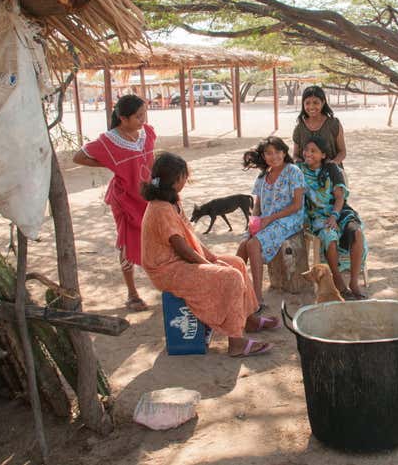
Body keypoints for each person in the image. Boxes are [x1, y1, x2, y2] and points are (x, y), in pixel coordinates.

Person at [140, 152, 277, 357]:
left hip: (180, 261)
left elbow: (189, 237)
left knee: (237, 262)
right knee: (230, 277)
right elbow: (181, 247)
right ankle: (236, 343)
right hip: (167, 270)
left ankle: (248, 318)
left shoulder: (172, 201)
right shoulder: (161, 209)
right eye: (184, 176)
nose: (186, 179)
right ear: (176, 179)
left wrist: (212, 258)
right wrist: (208, 264)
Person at [73, 94, 155, 312]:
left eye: (143, 115)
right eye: (138, 117)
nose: (143, 120)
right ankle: (132, 294)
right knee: (127, 242)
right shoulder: (109, 140)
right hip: (125, 199)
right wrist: (112, 165)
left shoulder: (146, 133)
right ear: (123, 118)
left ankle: (166, 284)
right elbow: (78, 157)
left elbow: (151, 160)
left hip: (147, 195)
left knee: (155, 237)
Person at [237, 137, 305, 308]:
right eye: (268, 153)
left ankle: (257, 298)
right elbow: (258, 206)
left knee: (253, 245)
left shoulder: (293, 171)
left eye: (277, 152)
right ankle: (234, 289)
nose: (273, 156)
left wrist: (269, 219)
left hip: (290, 219)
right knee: (244, 244)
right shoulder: (263, 177)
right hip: (267, 221)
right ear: (263, 155)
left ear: (284, 152)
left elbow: (297, 205)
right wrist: (252, 224)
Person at [298, 137, 368, 299]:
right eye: (306, 150)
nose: (308, 153)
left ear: (323, 155)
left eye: (313, 151)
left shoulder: (332, 169)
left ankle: (354, 282)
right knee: (329, 235)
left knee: (356, 232)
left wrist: (334, 216)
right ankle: (338, 281)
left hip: (339, 211)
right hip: (316, 214)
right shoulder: (299, 169)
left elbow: (339, 197)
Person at [292, 86, 346, 166]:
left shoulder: (333, 124)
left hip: (331, 174)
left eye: (315, 102)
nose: (311, 107)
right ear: (303, 104)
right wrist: (300, 163)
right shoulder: (299, 127)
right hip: (307, 176)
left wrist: (333, 164)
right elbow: (295, 155)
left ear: (323, 102)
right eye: (307, 103)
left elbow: (342, 152)